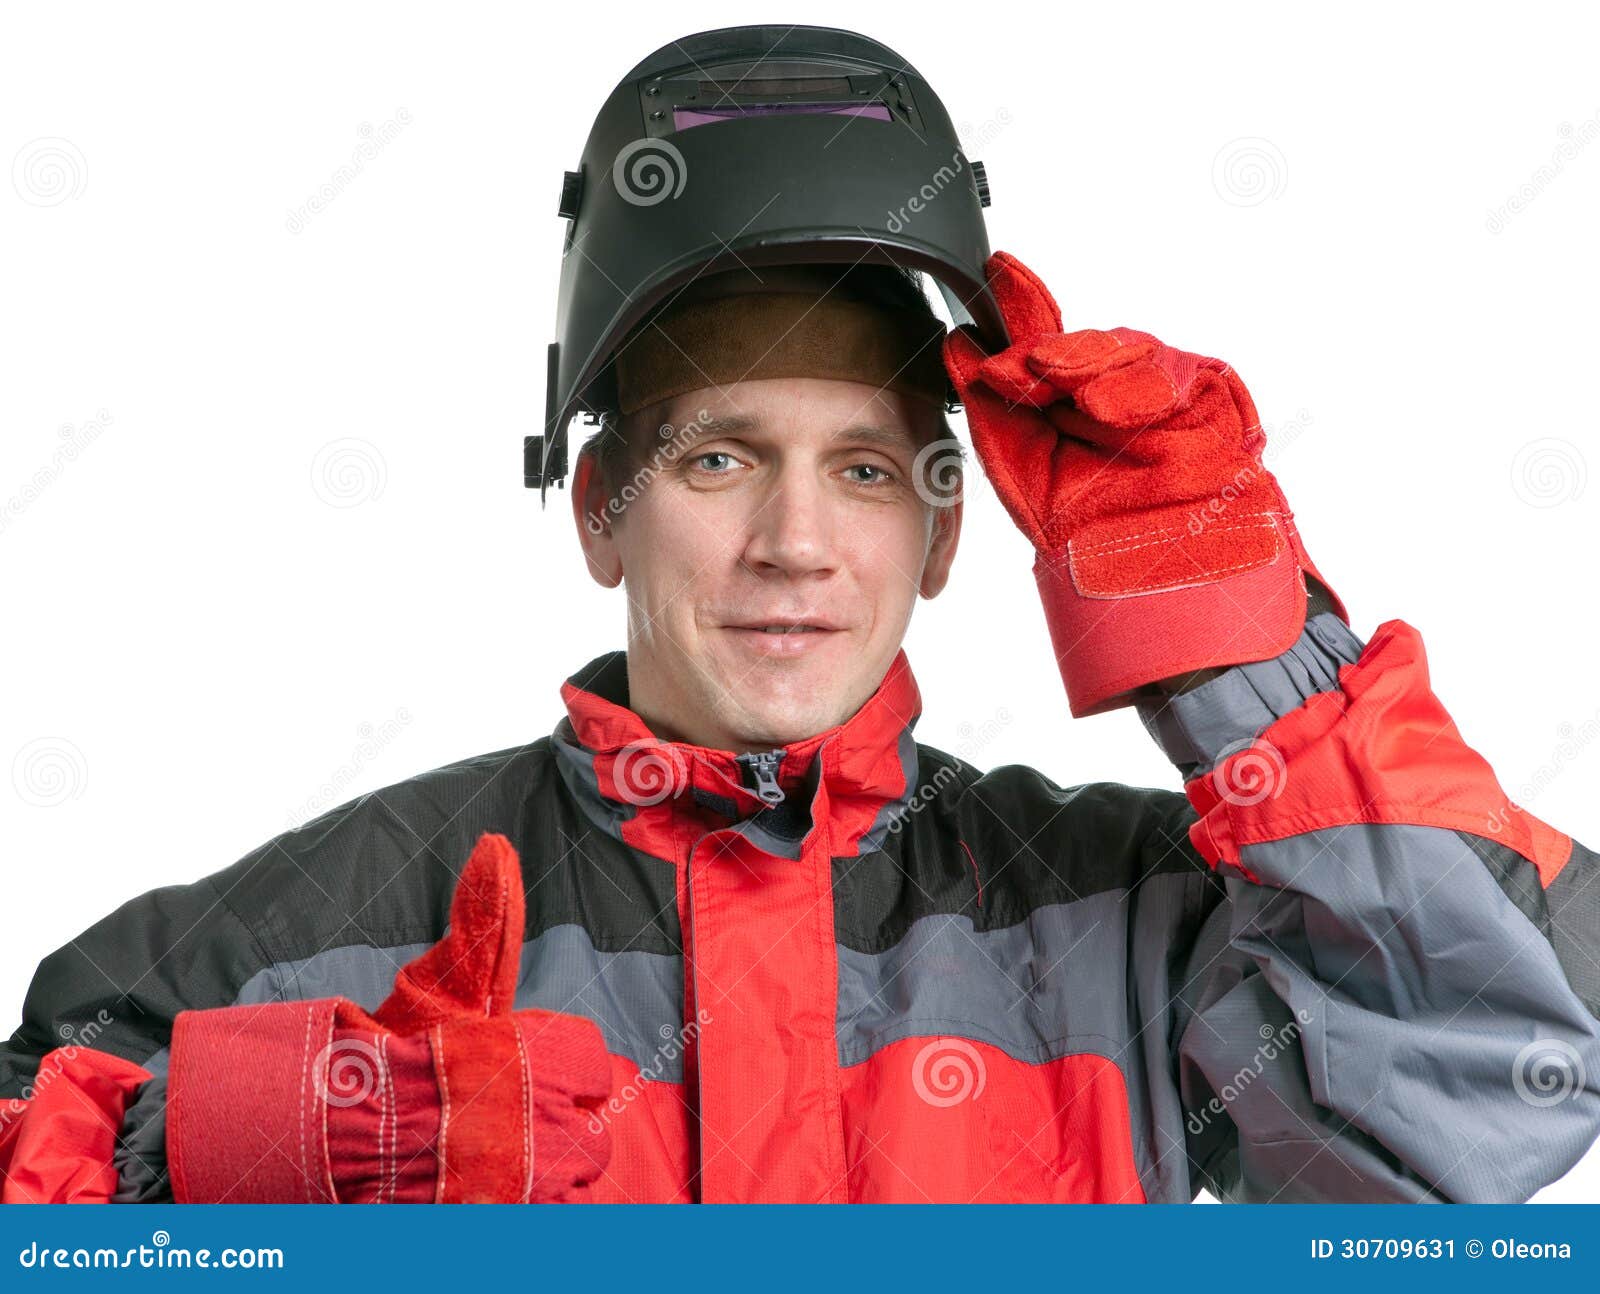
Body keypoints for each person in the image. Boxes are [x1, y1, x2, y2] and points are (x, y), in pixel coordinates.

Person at [3, 248, 1599, 1204]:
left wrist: (1228, 632)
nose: (796, 542)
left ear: (949, 532)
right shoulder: (332, 927)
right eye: (716, 460)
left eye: (862, 468)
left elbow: (1495, 1072)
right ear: (602, 517)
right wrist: (224, 1145)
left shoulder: (1142, 918)